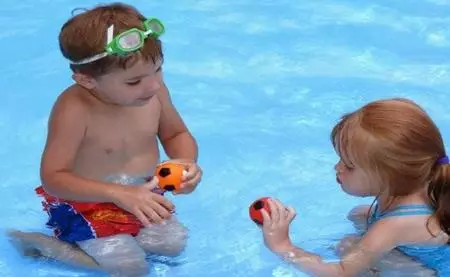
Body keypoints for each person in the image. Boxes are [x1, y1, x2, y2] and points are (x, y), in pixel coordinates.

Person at [8, 3, 202, 277]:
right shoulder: (74, 110)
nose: (153, 85)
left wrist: (186, 162)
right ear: (87, 81)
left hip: (142, 192)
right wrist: (117, 193)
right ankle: (45, 246)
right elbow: (53, 177)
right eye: (133, 82)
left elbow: (176, 134)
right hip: (86, 201)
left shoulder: (154, 93)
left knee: (172, 245)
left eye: (158, 70)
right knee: (130, 267)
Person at [259, 98, 450, 276]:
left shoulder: (392, 226)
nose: (337, 167)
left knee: (348, 246)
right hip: (426, 251)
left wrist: (284, 247)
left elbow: (341, 272)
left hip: (434, 271)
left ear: (389, 177)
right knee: (358, 217)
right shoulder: (423, 178)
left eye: (349, 166)